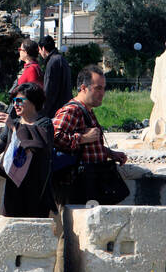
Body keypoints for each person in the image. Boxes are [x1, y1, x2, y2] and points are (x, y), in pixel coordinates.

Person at [52, 65, 129, 205]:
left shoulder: (87, 110)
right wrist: (82, 138)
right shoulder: (71, 110)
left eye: (103, 88)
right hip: (79, 183)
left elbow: (89, 147)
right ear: (83, 88)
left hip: (91, 180)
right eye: (98, 88)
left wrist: (110, 153)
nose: (102, 93)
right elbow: (54, 137)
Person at [0, 82, 56, 218]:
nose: (15, 104)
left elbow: (37, 147)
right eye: (14, 101)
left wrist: (14, 126)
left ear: (33, 101)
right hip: (13, 187)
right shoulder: (13, 123)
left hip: (36, 189)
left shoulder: (45, 124)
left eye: (19, 100)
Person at [38, 35, 71, 119]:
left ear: (43, 49)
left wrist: (43, 111)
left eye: (39, 50)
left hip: (56, 111)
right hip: (66, 107)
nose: (39, 53)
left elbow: (49, 89)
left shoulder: (52, 62)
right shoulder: (62, 59)